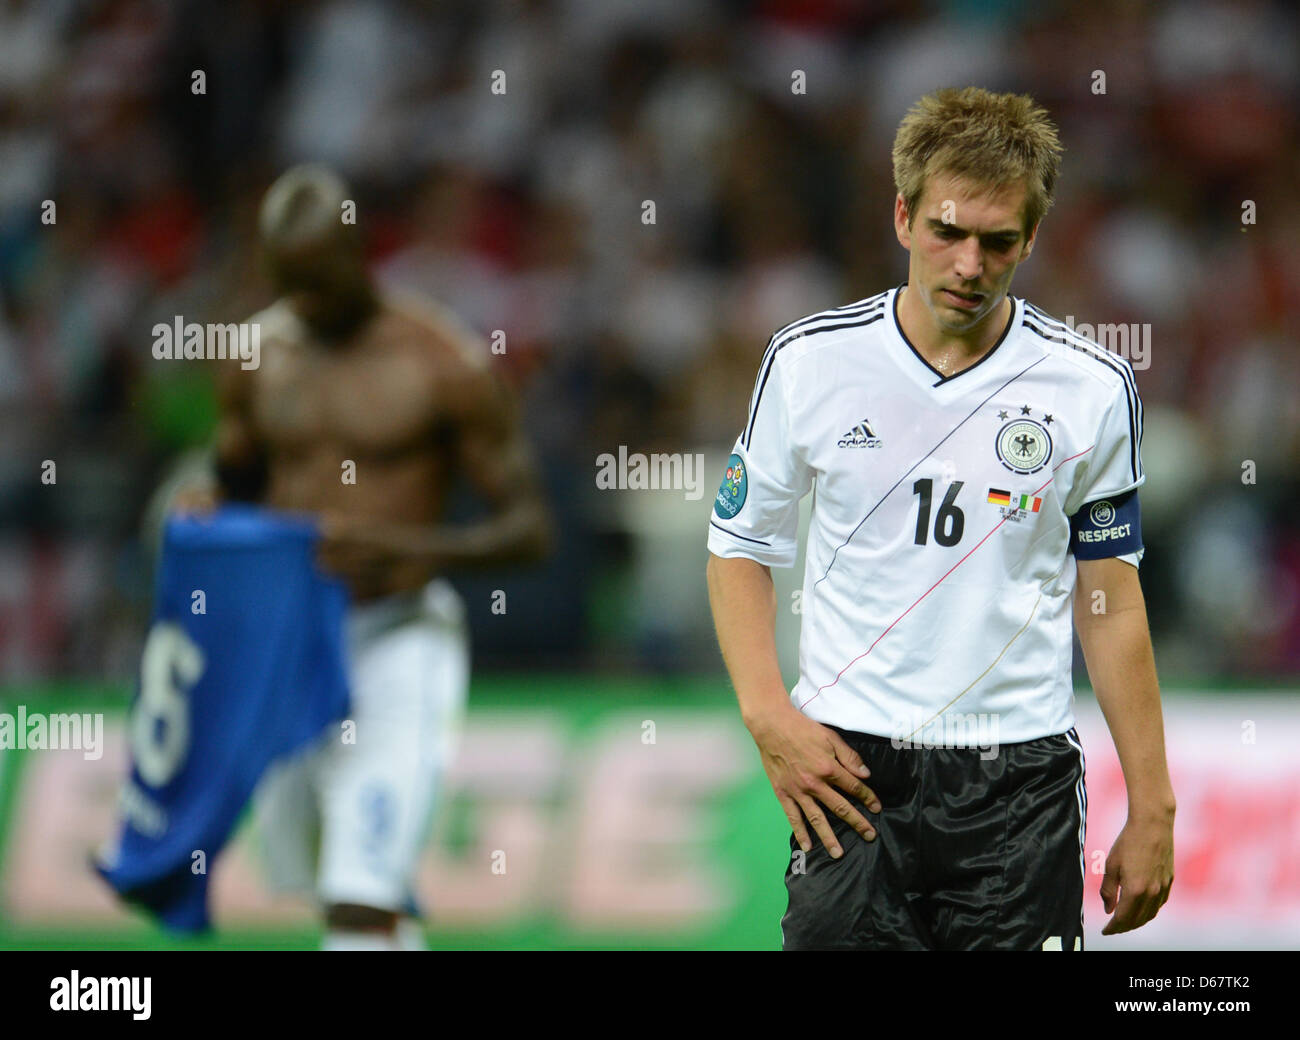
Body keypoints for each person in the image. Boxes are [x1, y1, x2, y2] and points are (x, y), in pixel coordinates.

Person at [705, 87, 1174, 950]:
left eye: (998, 243)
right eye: (947, 232)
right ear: (902, 216)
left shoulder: (1092, 388)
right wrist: (767, 713)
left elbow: (1110, 599)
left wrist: (1154, 803)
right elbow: (738, 548)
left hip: (1018, 778)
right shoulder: (810, 362)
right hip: (849, 771)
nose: (969, 265)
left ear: (1031, 238)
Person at [173, 164, 551, 950]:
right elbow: (233, 482)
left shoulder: (443, 362)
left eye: (315, 282)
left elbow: (528, 529)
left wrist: (406, 547)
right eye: (286, 284)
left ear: (357, 255)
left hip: (399, 635)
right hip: (288, 643)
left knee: (359, 890)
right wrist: (208, 507)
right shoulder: (258, 356)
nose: (301, 303)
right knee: (339, 889)